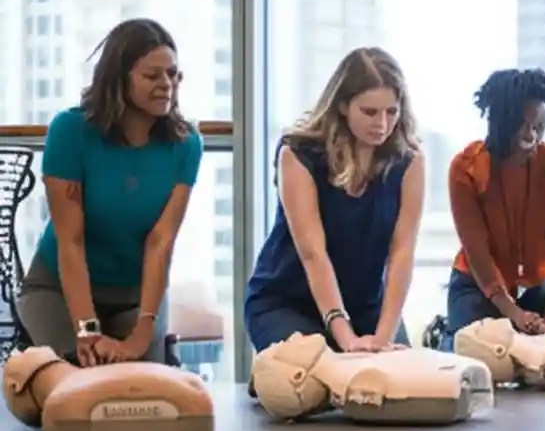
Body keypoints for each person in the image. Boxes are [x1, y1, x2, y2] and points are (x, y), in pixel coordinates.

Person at [17, 18, 203, 367]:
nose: (166, 84)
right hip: (57, 289)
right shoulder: (69, 131)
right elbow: (70, 240)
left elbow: (160, 242)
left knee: (142, 381)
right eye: (152, 75)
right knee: (75, 377)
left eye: (172, 74)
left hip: (135, 296)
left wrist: (142, 335)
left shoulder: (187, 144)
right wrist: (87, 329)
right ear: (119, 79)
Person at [244, 47, 423, 354]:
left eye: (391, 112)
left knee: (396, 375)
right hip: (287, 302)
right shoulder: (297, 154)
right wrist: (347, 340)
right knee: (317, 375)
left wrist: (383, 337)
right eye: (369, 112)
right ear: (342, 106)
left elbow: (402, 253)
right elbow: (313, 253)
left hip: (366, 305)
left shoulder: (409, 161)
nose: (382, 123)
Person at [440, 68, 545, 351]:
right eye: (522, 125)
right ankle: (444, 336)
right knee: (480, 352)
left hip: (537, 285)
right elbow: (478, 253)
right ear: (499, 123)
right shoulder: (466, 169)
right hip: (478, 284)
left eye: (538, 126)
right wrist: (515, 315)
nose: (531, 135)